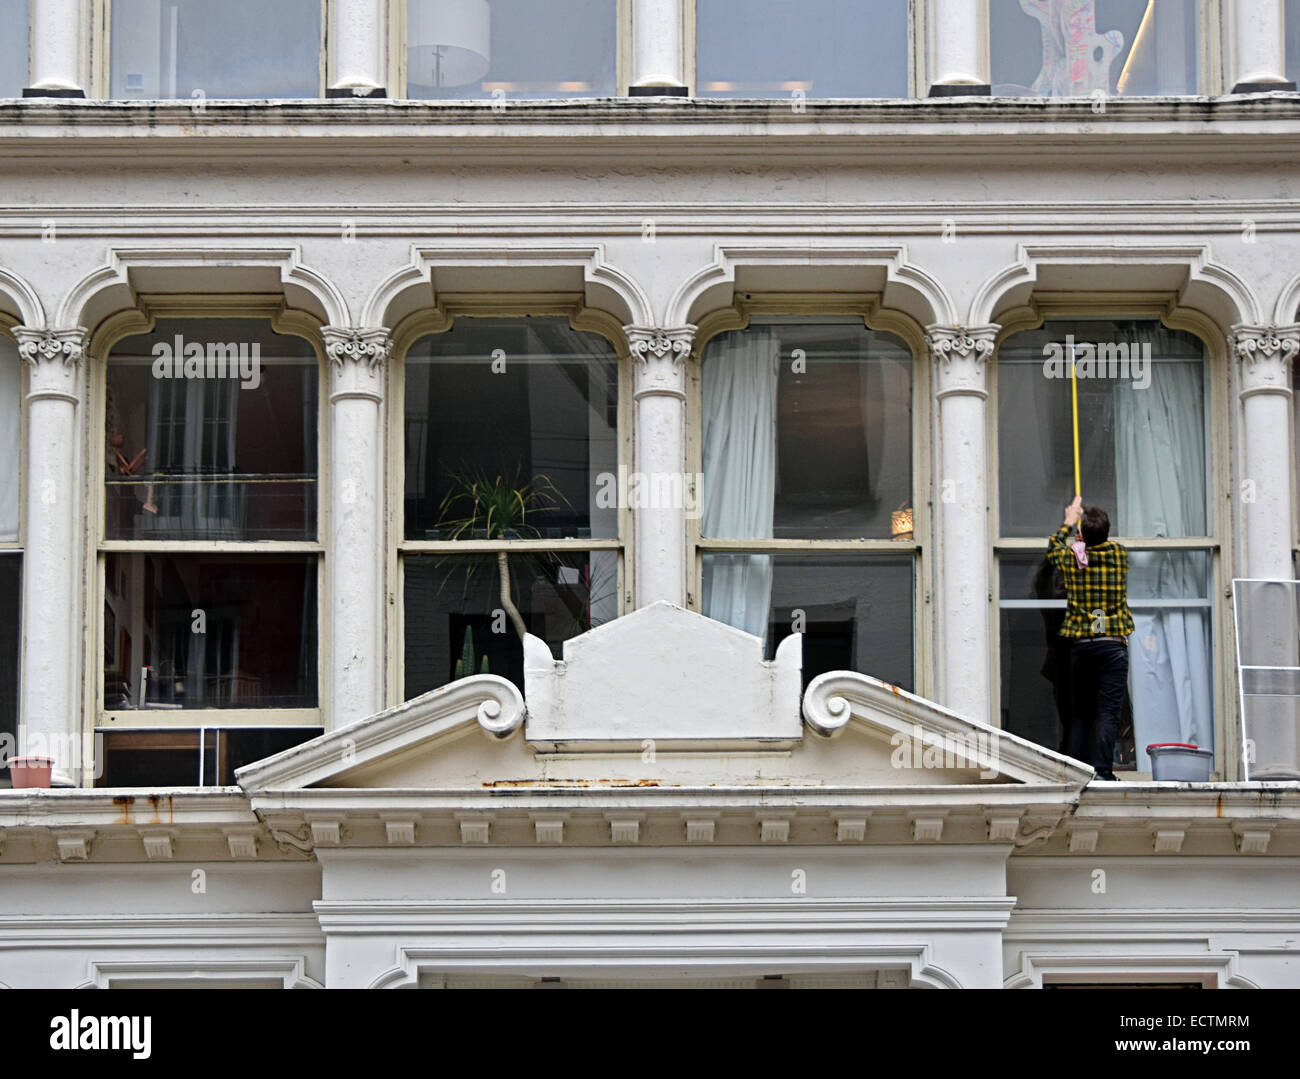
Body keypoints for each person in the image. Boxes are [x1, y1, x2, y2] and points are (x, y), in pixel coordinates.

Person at [1046, 495, 1134, 781]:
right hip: (1113, 644)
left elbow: (1053, 550)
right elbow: (1093, 546)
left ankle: (1073, 773)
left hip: (1082, 646)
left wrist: (1069, 524)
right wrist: (1082, 533)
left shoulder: (1072, 558)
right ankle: (1103, 770)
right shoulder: (1119, 555)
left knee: (1081, 714)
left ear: (1082, 534)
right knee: (1108, 713)